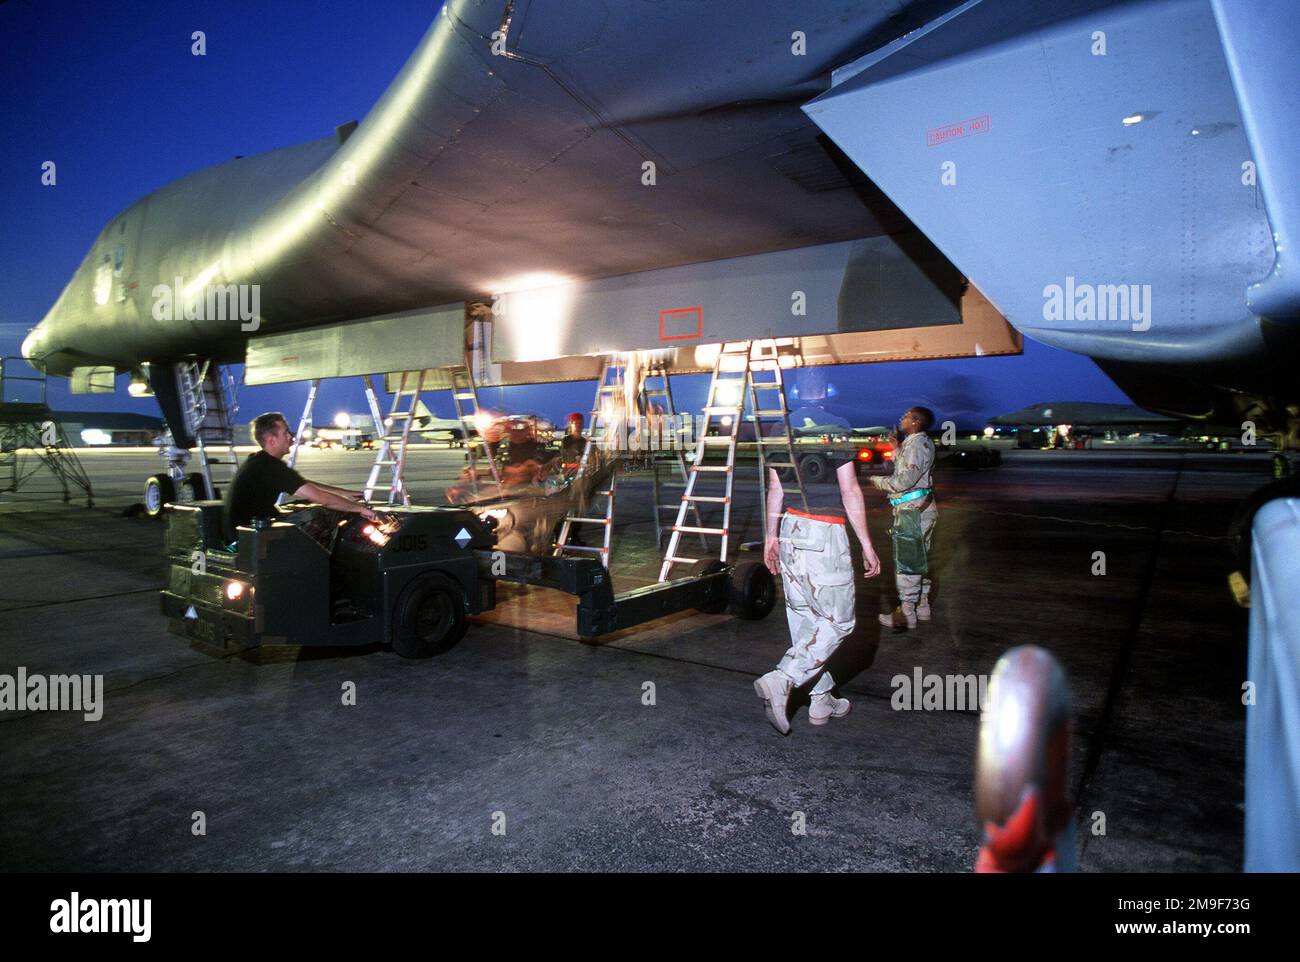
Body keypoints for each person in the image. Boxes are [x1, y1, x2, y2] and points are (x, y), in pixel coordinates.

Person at [753, 451, 881, 735]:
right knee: (838, 621)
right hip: (823, 533)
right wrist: (867, 545)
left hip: (790, 528)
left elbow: (775, 490)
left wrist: (771, 537)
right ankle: (783, 678)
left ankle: (821, 700)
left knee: (805, 619)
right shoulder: (834, 430)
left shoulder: (778, 430)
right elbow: (849, 490)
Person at [222, 412, 379, 545]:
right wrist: (359, 508)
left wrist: (344, 493)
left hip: (242, 534)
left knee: (305, 505)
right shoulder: (270, 467)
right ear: (271, 440)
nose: (291, 437)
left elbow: (303, 484)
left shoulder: (259, 461)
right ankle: (325, 564)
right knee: (323, 514)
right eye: (286, 433)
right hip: (250, 539)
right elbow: (323, 498)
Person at [870, 406, 938, 630]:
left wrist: (876, 481)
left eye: (907, 416)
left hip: (912, 512)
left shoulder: (917, 444)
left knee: (908, 564)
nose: (902, 418)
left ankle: (906, 614)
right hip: (921, 509)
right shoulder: (918, 442)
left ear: (916, 421)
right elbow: (911, 464)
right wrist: (896, 448)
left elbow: (903, 481)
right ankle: (922, 606)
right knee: (920, 561)